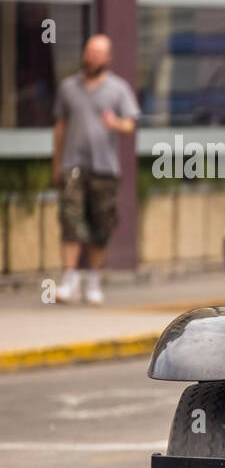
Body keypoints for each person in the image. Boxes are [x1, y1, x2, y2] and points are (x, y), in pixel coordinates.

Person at [52, 34, 140, 305]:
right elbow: (60, 127)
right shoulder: (68, 87)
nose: (92, 58)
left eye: (98, 53)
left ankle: (93, 282)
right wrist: (57, 162)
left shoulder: (118, 89)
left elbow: (130, 125)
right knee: (70, 220)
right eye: (89, 52)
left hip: (105, 168)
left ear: (108, 58)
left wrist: (115, 123)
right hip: (73, 165)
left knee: (100, 227)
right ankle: (68, 281)